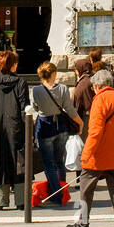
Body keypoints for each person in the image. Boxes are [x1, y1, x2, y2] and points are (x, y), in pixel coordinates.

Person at [67, 68, 114, 227]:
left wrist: (86, 154)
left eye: (93, 87)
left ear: (97, 85)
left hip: (99, 155)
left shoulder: (100, 100)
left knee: (85, 189)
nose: (92, 89)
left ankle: (82, 222)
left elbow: (95, 131)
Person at [31, 61, 82, 207]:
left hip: (44, 125)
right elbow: (69, 109)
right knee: (59, 160)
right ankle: (62, 191)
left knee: (49, 163)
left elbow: (35, 107)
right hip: (60, 125)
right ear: (54, 73)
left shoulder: (36, 90)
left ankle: (56, 193)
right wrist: (80, 122)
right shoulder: (63, 89)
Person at [0, 50, 28, 210]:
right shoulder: (20, 83)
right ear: (12, 65)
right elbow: (25, 109)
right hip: (16, 128)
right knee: (19, 162)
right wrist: (28, 130)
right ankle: (21, 200)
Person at [71, 57, 95, 137]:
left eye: (76, 69)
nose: (76, 72)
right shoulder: (93, 78)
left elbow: (77, 105)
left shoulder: (83, 84)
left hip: (86, 119)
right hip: (96, 116)